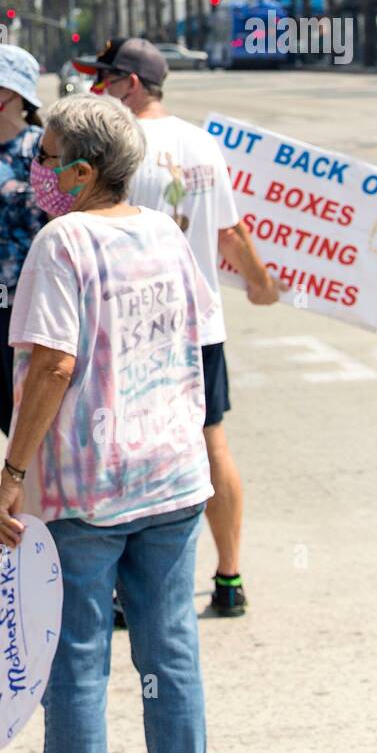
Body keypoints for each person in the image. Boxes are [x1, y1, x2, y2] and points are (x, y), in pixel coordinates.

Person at [0, 93, 215, 753]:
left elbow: (53, 366)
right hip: (172, 478)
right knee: (170, 655)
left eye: (47, 157)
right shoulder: (164, 232)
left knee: (78, 669)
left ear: (82, 173)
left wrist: (13, 474)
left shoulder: (62, 242)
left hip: (88, 491)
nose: (37, 168)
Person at [86, 37, 279, 617]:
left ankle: (128, 593)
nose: (100, 90)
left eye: (107, 79)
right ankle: (228, 578)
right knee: (212, 441)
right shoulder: (202, 143)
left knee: (126, 449)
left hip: (133, 329)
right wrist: (260, 283)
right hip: (200, 326)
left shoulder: (116, 147)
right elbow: (228, 232)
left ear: (133, 84)